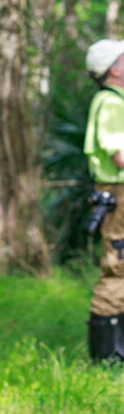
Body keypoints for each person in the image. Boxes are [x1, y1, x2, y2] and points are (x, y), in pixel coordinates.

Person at [83, 39, 124, 364]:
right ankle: (106, 356)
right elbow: (120, 155)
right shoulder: (110, 103)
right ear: (115, 69)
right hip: (118, 193)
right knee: (117, 267)